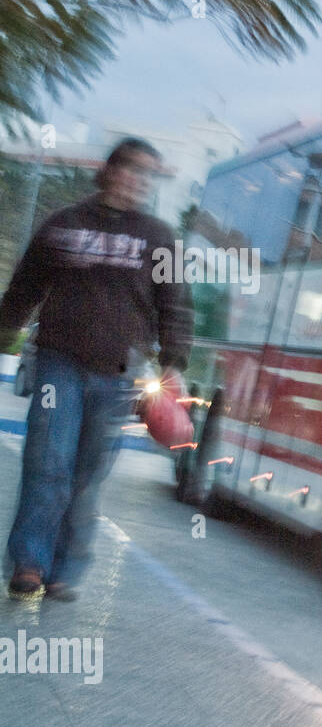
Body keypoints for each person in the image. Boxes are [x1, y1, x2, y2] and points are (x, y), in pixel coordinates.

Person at [0, 137, 192, 601]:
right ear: (109, 171)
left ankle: (66, 570)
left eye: (149, 174)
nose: (140, 180)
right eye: (132, 169)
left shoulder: (158, 236)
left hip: (121, 370)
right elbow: (24, 290)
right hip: (58, 363)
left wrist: (174, 364)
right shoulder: (62, 225)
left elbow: (175, 305)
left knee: (87, 473)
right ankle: (29, 562)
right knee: (48, 460)